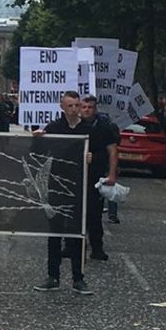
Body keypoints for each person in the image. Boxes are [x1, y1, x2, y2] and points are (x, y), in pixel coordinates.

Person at [32, 91, 94, 295]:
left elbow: (104, 152)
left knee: (77, 233)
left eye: (77, 105)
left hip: (79, 186)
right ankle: (53, 276)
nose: (75, 109)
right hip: (57, 185)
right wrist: (38, 139)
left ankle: (78, 278)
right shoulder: (54, 128)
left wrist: (92, 158)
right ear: (62, 107)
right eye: (70, 106)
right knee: (55, 232)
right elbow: (37, 155)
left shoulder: (88, 129)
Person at [79, 96, 119, 258]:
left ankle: (97, 248)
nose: (87, 109)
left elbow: (113, 151)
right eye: (84, 107)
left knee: (94, 214)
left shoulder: (104, 128)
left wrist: (112, 174)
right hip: (76, 176)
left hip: (95, 176)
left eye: (90, 107)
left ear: (95, 109)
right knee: (75, 213)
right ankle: (73, 246)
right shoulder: (75, 126)